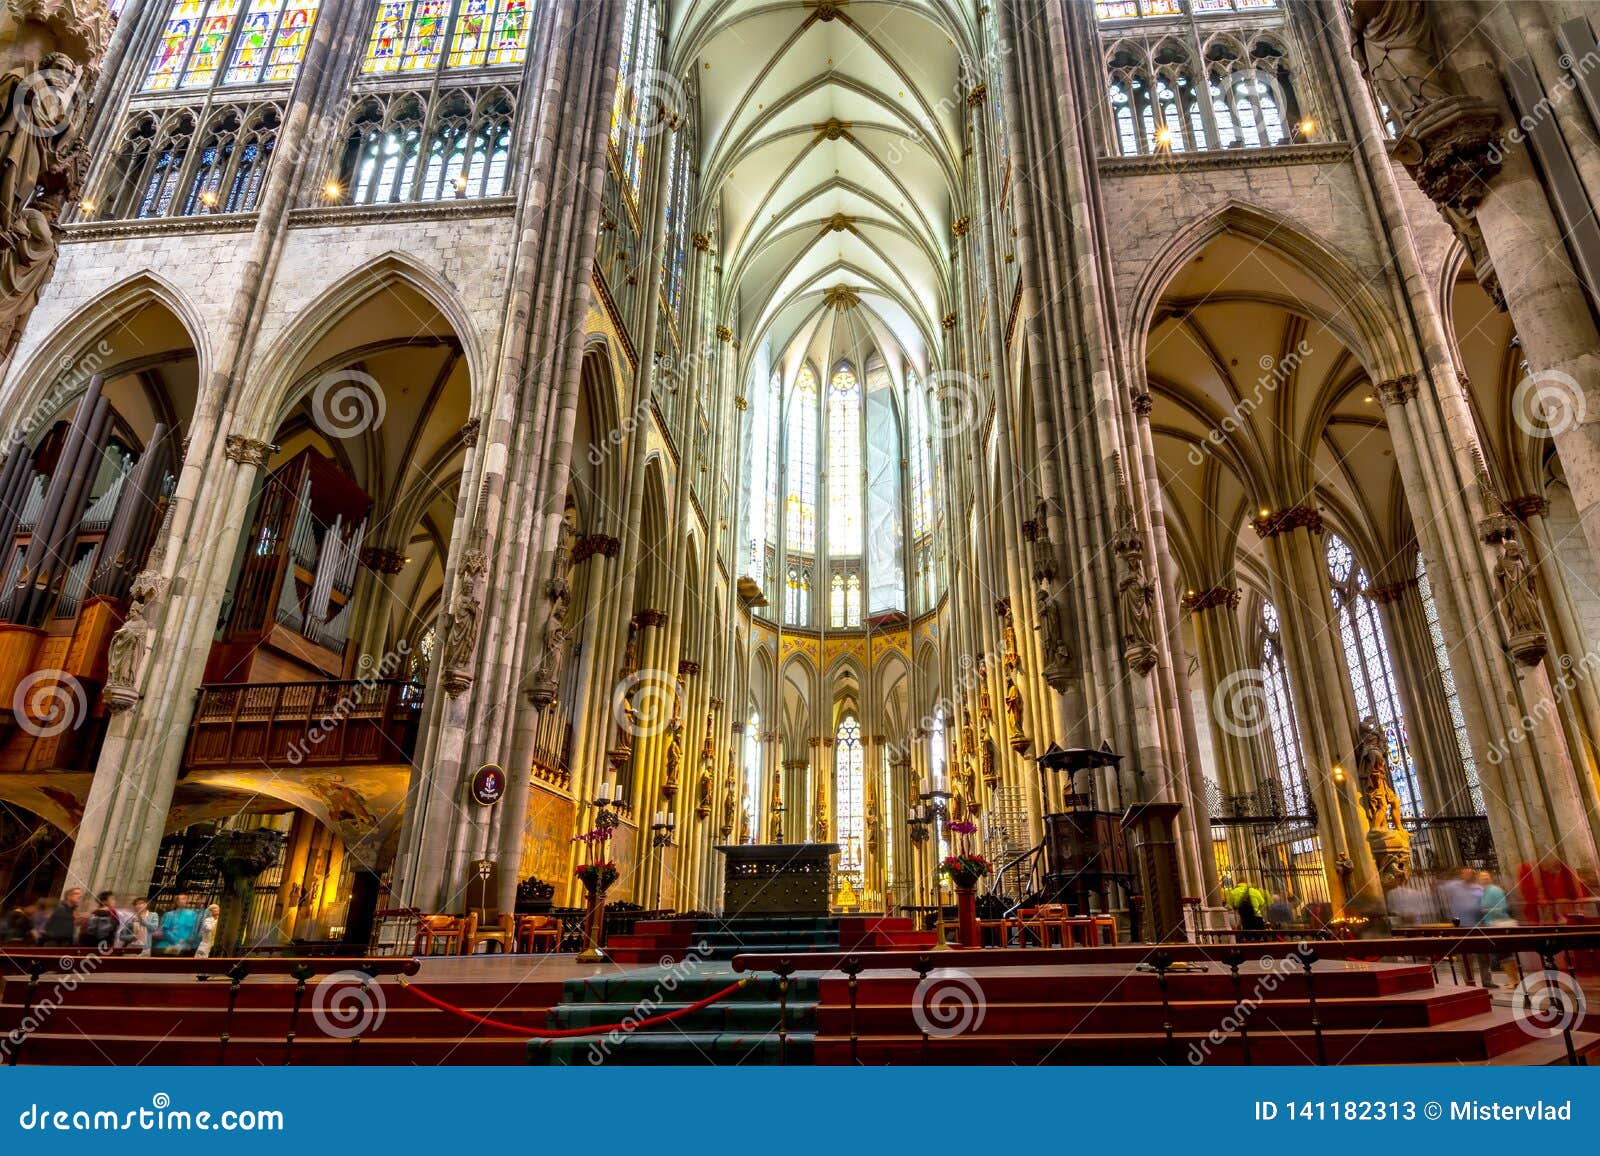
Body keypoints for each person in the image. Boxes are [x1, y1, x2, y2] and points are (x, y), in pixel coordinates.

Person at [1478, 871, 1521, 990]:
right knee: (1502, 954)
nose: (1484, 879)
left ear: (1490, 878)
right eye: (1482, 878)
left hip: (1500, 925)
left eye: (1486, 877)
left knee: (1504, 953)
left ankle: (1514, 980)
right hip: (1492, 925)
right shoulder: (1485, 891)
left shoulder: (1494, 890)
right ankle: (1513, 979)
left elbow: (1502, 907)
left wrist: (1487, 910)